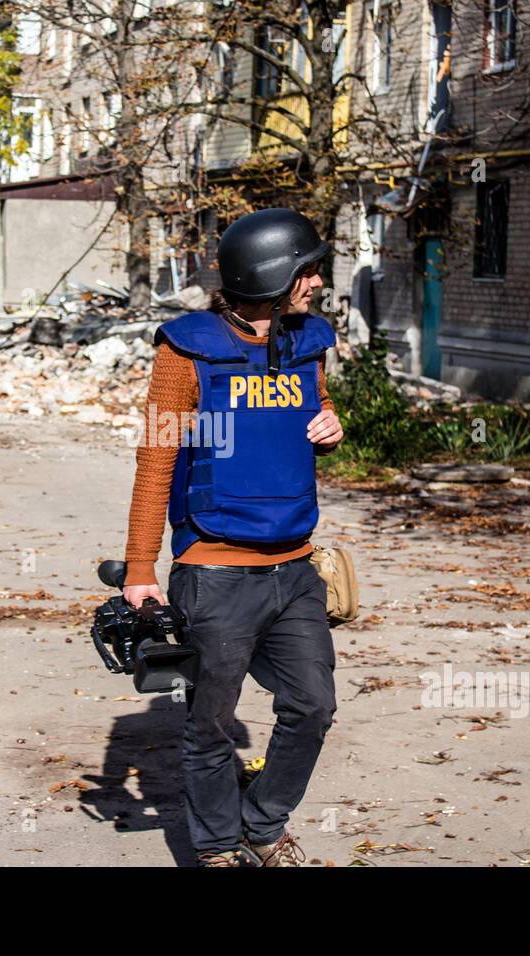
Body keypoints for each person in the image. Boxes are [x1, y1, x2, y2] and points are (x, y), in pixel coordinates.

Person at [123, 207, 344, 867]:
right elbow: (155, 462)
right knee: (211, 724)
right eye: (308, 270)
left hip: (294, 567)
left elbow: (317, 410)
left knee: (312, 705)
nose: (317, 281)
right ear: (274, 274)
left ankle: (262, 823)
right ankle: (219, 846)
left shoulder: (306, 342)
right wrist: (140, 570)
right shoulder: (186, 349)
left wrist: (331, 426)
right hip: (213, 572)